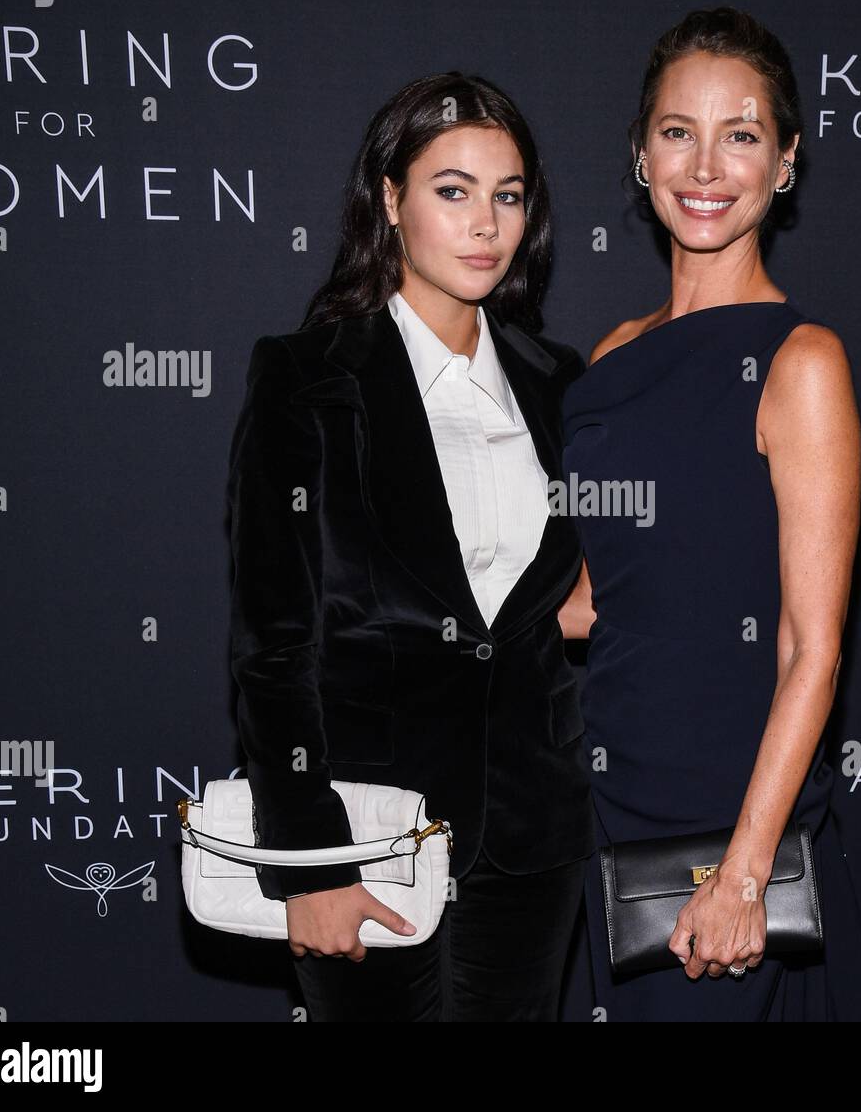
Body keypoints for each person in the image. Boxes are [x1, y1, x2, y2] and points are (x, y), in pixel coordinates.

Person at [226, 72, 593, 1021]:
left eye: (507, 196)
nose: (485, 224)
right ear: (390, 200)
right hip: (367, 838)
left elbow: (548, 603)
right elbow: (274, 644)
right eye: (452, 190)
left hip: (528, 838)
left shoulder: (559, 385)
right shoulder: (308, 379)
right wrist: (311, 860)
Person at [558, 7, 861, 1020]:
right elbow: (580, 604)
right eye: (676, 131)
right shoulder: (611, 356)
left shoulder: (803, 362)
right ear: (640, 153)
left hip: (727, 826)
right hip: (606, 806)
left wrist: (743, 872)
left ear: (784, 161)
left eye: (740, 134)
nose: (705, 165)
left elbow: (812, 648)